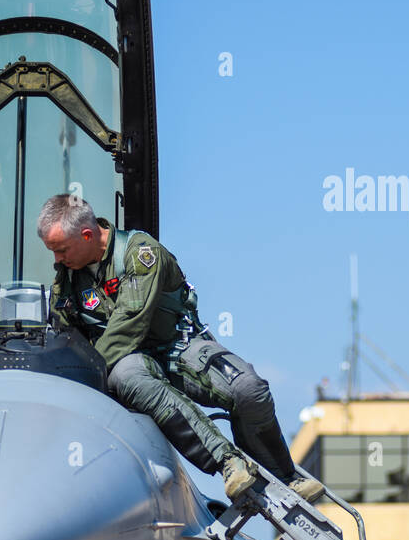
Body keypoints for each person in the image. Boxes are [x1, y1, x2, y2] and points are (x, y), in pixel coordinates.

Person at [36, 193, 324, 504]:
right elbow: (63, 338)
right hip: (128, 362)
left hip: (177, 349)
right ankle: (228, 462)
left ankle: (283, 478)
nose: (57, 259)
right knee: (130, 376)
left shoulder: (140, 253)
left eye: (61, 250)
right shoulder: (67, 282)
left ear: (87, 235)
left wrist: (91, 372)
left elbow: (130, 321)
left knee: (248, 388)